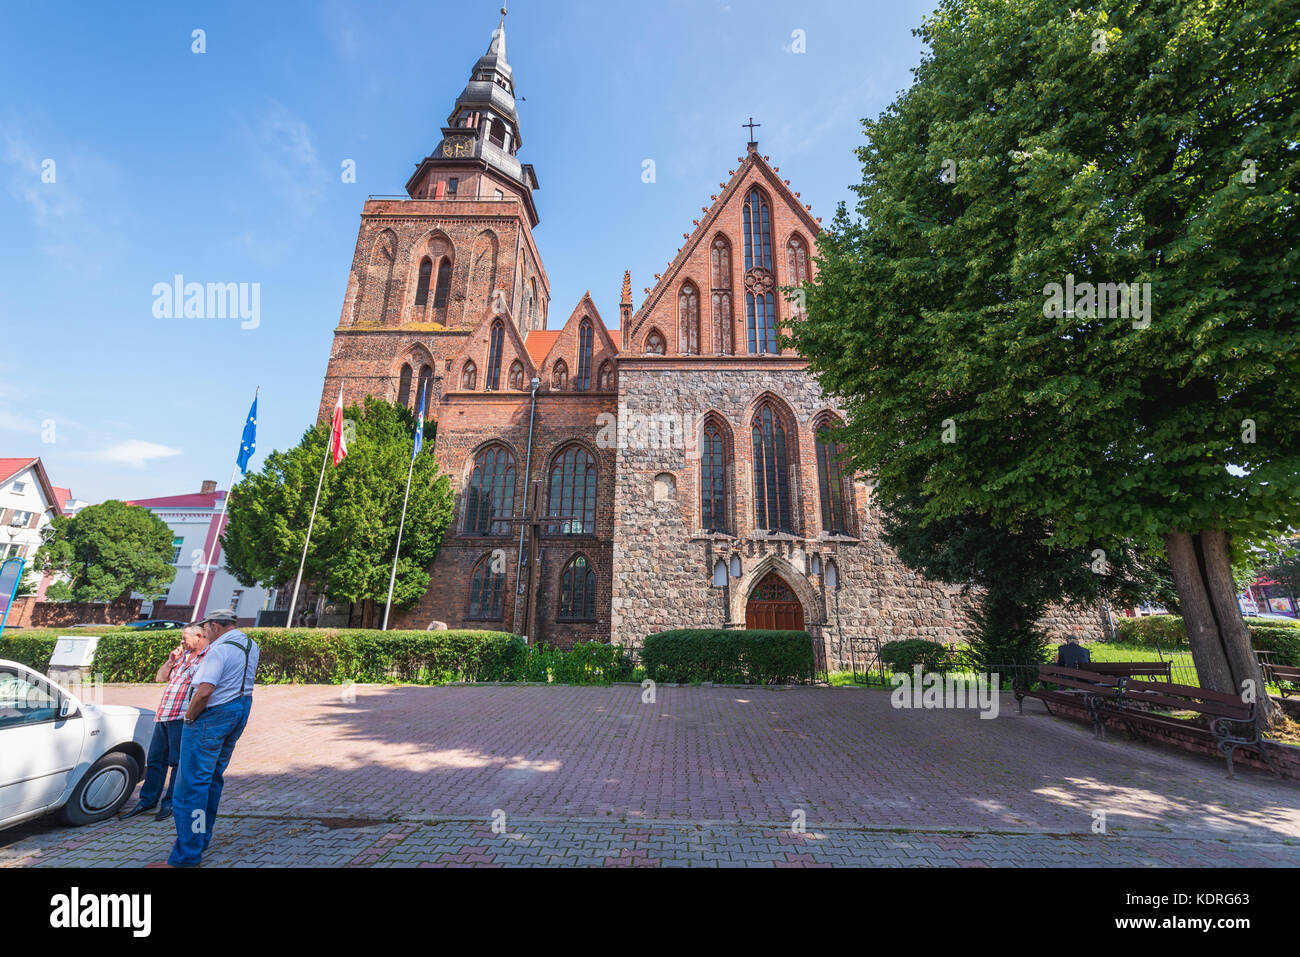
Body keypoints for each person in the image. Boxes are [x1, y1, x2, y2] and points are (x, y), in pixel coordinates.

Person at [154, 609, 259, 868]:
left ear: (214, 626)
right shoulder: (250, 644)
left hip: (211, 717)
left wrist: (189, 718)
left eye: (207, 629)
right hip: (238, 710)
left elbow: (205, 691)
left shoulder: (218, 650)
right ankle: (200, 839)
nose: (206, 634)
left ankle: (186, 857)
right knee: (211, 780)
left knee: (190, 788)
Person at [121, 623, 210, 820]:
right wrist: (171, 661)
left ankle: (169, 803)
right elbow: (159, 678)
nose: (182, 641)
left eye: (185, 638)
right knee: (155, 761)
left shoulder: (207, 658)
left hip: (182, 716)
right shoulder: (181, 657)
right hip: (164, 714)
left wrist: (191, 716)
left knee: (177, 763)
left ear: (199, 636)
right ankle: (147, 800)